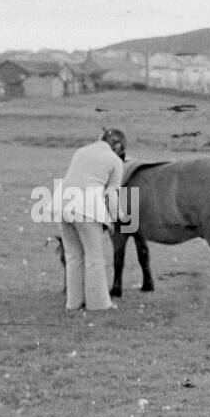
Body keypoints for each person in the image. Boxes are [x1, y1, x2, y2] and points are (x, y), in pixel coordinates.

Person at [58, 128, 125, 313]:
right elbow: (111, 193)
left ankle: (74, 303)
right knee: (94, 257)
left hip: (61, 206)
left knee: (74, 257)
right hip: (86, 209)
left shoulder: (81, 151)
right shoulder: (115, 161)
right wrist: (117, 218)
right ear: (117, 145)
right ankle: (99, 305)